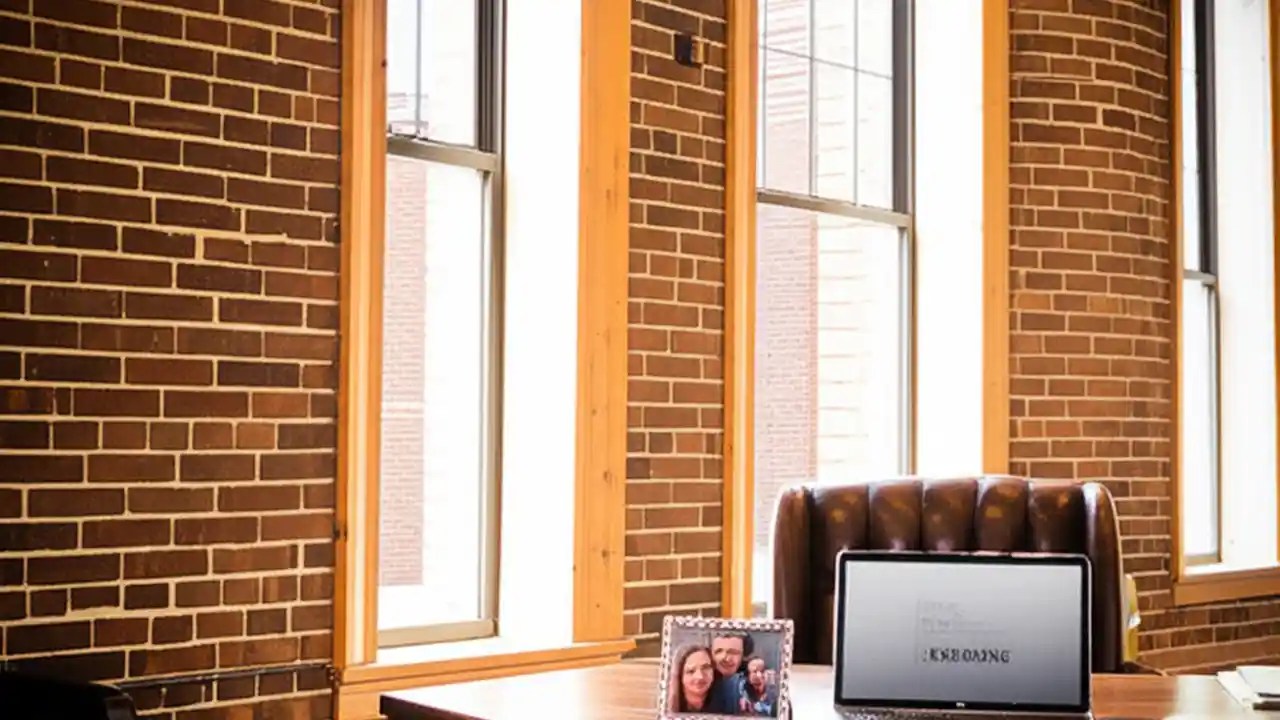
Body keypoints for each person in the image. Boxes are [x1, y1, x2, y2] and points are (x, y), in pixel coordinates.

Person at [667, 643, 734, 714]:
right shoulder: (667, 707)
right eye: (691, 671)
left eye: (705, 668)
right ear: (679, 675)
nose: (700, 676)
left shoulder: (729, 702)